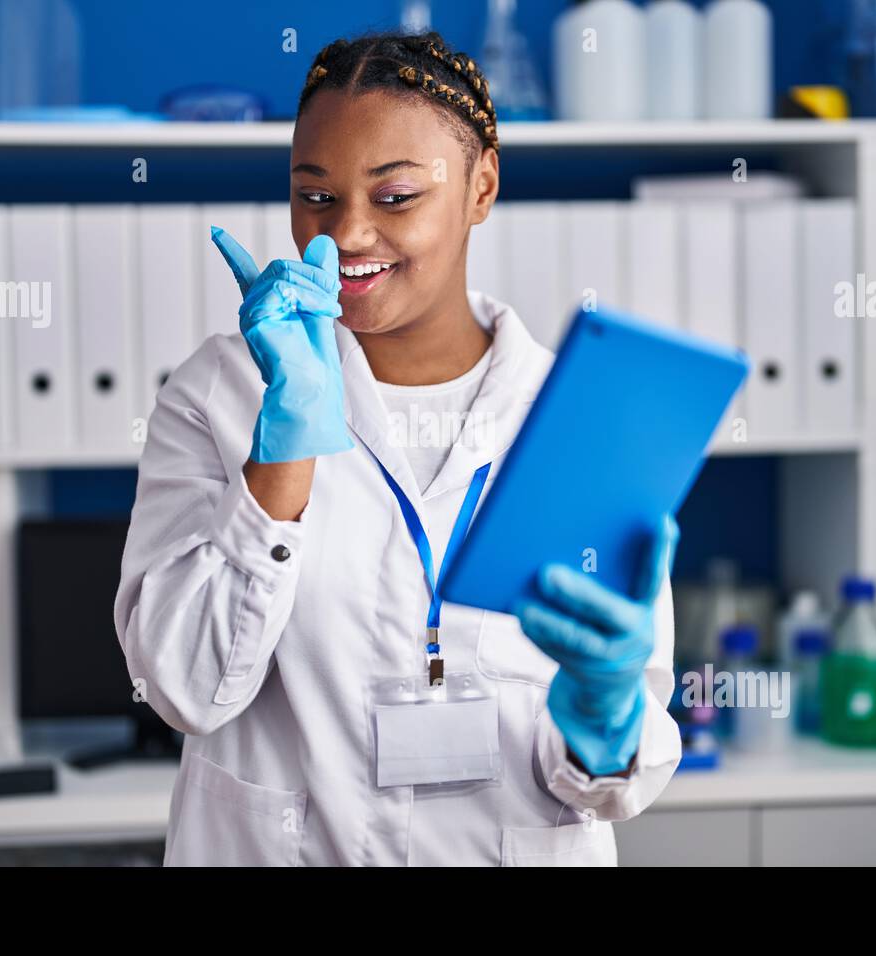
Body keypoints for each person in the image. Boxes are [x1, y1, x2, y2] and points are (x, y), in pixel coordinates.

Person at [114, 29, 682, 867]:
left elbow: (612, 785)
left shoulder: (577, 416)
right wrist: (282, 450)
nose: (345, 235)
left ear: (482, 185)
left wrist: (605, 719)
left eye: (395, 197)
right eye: (315, 197)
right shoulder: (218, 394)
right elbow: (180, 690)